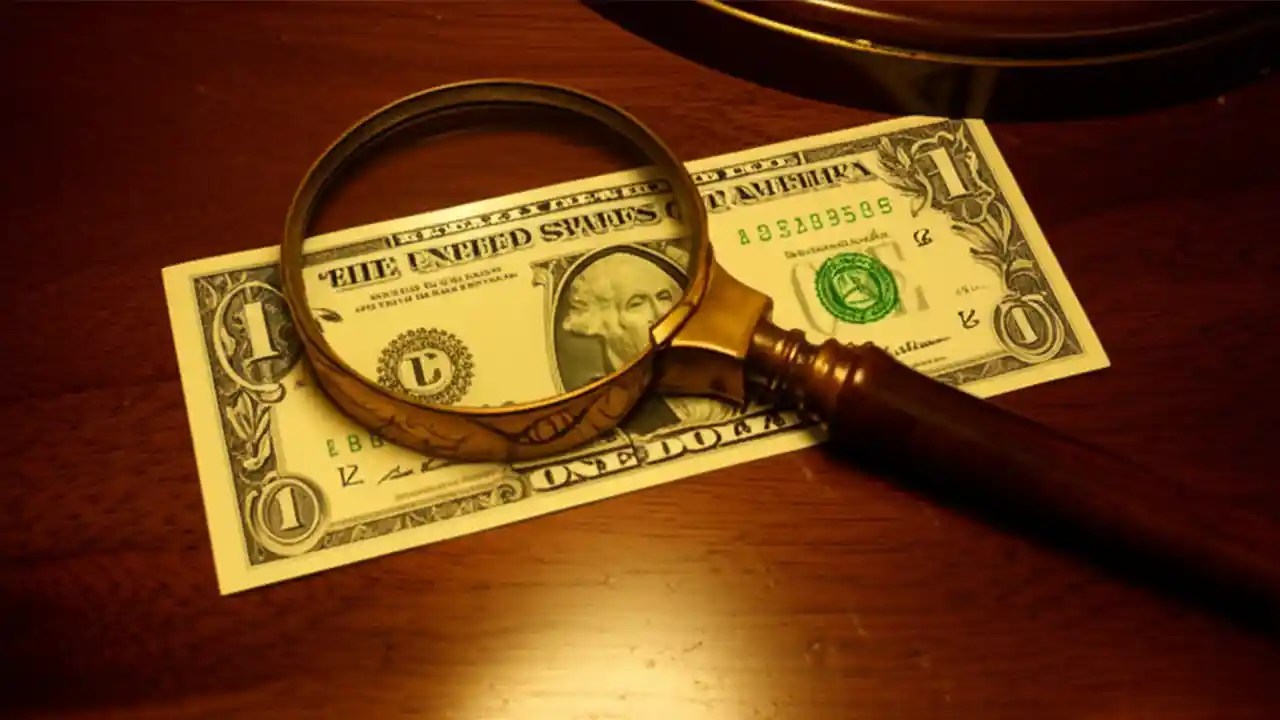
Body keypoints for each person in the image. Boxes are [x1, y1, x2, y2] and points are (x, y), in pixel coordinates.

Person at [560, 250, 736, 435]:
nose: (660, 313)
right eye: (636, 304)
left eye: (663, 297)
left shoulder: (713, 372)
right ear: (599, 322)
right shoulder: (597, 409)